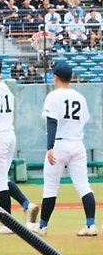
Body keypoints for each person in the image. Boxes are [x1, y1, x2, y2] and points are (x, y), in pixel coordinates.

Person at [0, 56, 38, 233]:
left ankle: (7, 223)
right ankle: (27, 204)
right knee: (3, 177)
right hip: (9, 135)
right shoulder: (7, 89)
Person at [37, 62, 96, 235]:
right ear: (71, 77)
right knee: (83, 185)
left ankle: (42, 226)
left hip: (59, 144)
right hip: (77, 144)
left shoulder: (53, 96)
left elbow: (52, 121)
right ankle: (91, 225)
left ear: (55, 77)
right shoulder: (80, 97)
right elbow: (83, 120)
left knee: (50, 187)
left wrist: (50, 147)